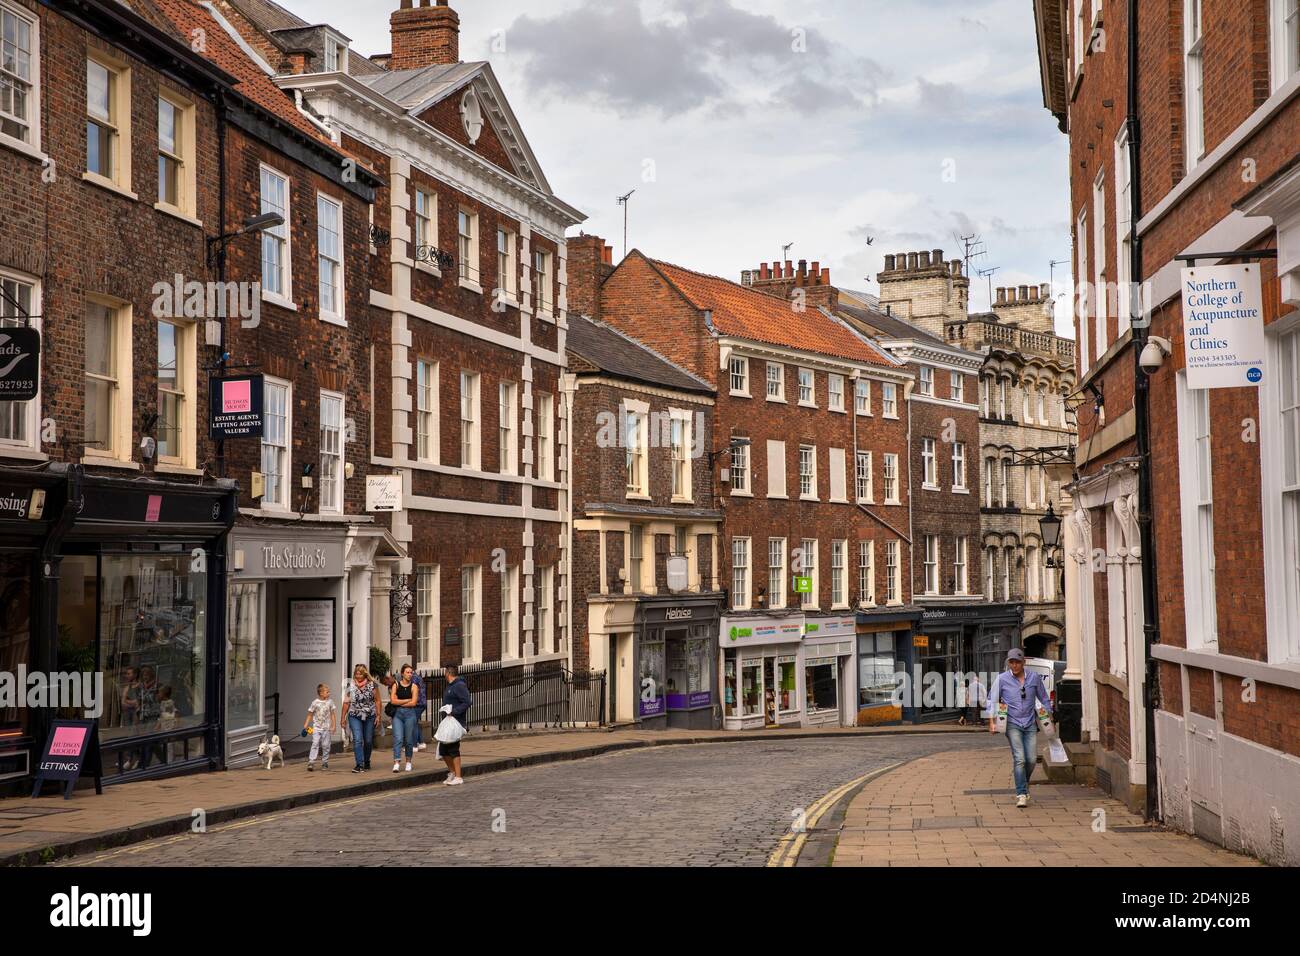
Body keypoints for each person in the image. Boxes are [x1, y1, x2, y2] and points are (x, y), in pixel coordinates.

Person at [987, 649, 1052, 807]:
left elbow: (1044, 698)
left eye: (1017, 662)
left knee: (1030, 760)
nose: (1014, 665)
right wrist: (991, 722)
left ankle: (1024, 782)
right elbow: (991, 699)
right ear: (1008, 663)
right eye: (1011, 662)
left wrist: (1048, 716)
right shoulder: (1002, 679)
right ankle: (1021, 793)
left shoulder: (1034, 678)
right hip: (1012, 723)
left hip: (1030, 723)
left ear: (1023, 663)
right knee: (1020, 758)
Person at [341, 665, 379, 773]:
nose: (358, 676)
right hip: (354, 715)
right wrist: (342, 718)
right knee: (357, 739)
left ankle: (366, 761)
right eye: (356, 673)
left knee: (367, 741)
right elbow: (346, 702)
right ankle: (359, 764)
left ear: (365, 674)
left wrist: (378, 715)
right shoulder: (351, 685)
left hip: (369, 715)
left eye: (360, 674)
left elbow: (377, 701)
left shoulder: (372, 685)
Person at [439, 663, 472, 786]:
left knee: (453, 748)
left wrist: (454, 712)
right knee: (443, 750)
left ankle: (458, 777)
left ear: (448, 673)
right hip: (447, 722)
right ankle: (452, 772)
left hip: (456, 722)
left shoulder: (459, 685)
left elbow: (467, 702)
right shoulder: (450, 686)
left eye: (445, 672)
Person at [390, 664, 420, 772]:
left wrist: (400, 702)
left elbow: (414, 703)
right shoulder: (396, 685)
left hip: (410, 715)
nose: (410, 674)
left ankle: (408, 761)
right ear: (402, 673)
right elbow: (393, 701)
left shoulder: (414, 686)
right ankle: (397, 762)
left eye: (411, 672)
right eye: (407, 672)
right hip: (397, 715)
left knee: (408, 740)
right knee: (398, 739)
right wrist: (407, 700)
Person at [304, 683, 337, 771]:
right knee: (315, 743)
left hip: (326, 728)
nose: (329, 693)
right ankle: (311, 762)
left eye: (329, 692)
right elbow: (310, 714)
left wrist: (334, 726)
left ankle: (325, 762)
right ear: (321, 693)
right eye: (327, 692)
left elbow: (333, 714)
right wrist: (306, 725)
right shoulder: (315, 703)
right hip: (316, 728)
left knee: (326, 745)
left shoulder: (330, 702)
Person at [410, 668, 428, 752]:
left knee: (413, 723)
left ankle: (414, 745)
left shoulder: (413, 678)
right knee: (415, 722)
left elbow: (412, 691)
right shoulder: (418, 677)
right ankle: (421, 743)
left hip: (417, 703)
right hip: (422, 703)